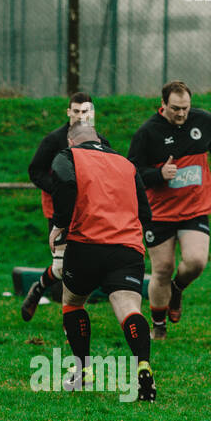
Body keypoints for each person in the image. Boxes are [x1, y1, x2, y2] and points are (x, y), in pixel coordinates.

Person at [49, 122, 156, 401]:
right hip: (127, 247)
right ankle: (143, 365)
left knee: (72, 301)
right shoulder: (126, 163)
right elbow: (145, 210)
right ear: (98, 138)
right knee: (128, 307)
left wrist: (60, 225)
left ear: (72, 140)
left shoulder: (68, 156)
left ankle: (83, 369)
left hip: (87, 245)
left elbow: (65, 184)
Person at [127, 81, 211, 340]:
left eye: (185, 108)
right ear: (162, 105)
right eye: (175, 109)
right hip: (159, 212)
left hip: (194, 207)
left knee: (196, 261)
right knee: (162, 268)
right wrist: (158, 174)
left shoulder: (203, 121)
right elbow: (132, 173)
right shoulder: (147, 133)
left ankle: (178, 289)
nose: (181, 114)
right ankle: (158, 326)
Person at [21, 92, 106, 321]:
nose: (80, 115)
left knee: (79, 264)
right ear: (68, 112)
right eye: (76, 111)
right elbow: (35, 171)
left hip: (89, 212)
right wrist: (59, 189)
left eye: (85, 111)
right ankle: (63, 312)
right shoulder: (54, 140)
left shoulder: (101, 142)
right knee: (62, 266)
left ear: (92, 113)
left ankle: (44, 293)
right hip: (59, 211)